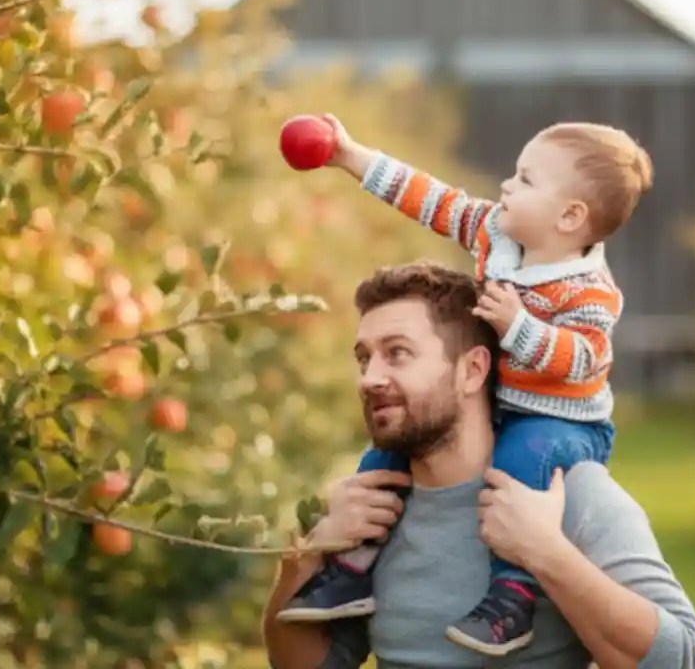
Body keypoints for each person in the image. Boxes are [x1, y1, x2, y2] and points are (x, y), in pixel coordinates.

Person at [276, 115, 653, 656]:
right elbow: (426, 196)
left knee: (519, 468)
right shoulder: (493, 232)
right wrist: (348, 154)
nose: (506, 185)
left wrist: (518, 327)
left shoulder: (590, 292)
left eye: (526, 179)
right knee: (379, 464)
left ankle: (512, 595)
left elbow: (585, 360)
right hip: (506, 399)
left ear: (571, 216)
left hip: (561, 421)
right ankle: (351, 567)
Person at [263, 263, 695, 668]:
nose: (370, 378)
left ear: (472, 370)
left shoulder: (563, 493)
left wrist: (543, 551)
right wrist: (304, 561)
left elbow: (678, 657)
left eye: (397, 353)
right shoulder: (371, 504)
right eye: (364, 358)